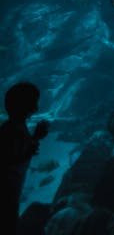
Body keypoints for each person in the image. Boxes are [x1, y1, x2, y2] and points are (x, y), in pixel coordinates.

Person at [1, 82, 49, 229]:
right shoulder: (13, 129)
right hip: (6, 191)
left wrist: (35, 138)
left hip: (12, 190)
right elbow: (12, 159)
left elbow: (19, 153)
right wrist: (35, 138)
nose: (36, 108)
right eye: (32, 103)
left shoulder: (14, 127)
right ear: (23, 106)